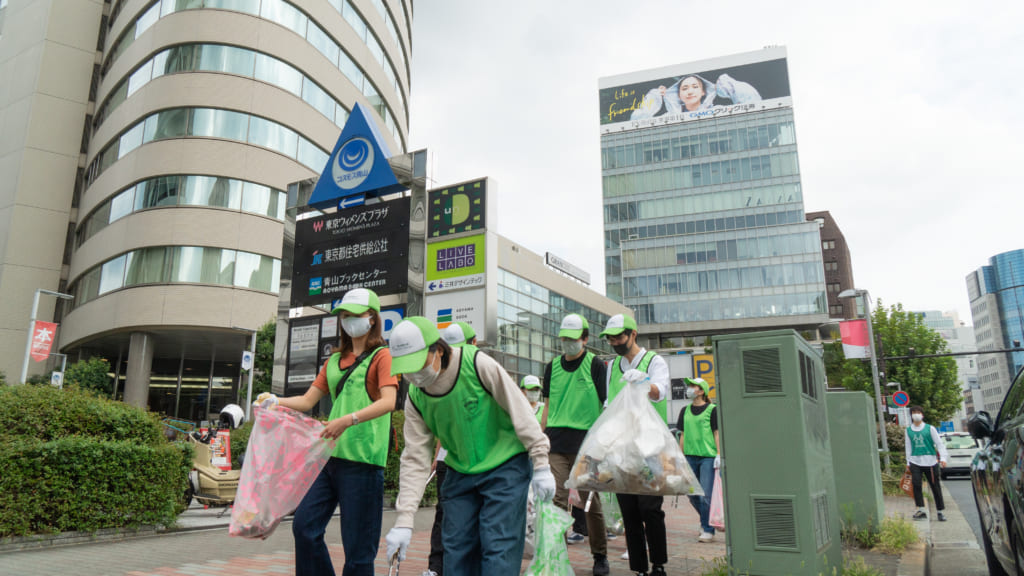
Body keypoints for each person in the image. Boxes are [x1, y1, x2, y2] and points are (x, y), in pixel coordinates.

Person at [383, 317, 555, 576]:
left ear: (438, 350)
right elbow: (415, 458)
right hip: (460, 472)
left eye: (417, 365)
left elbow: (521, 412)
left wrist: (541, 463)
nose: (414, 376)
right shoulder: (416, 397)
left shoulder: (477, 365)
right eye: (406, 370)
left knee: (499, 549)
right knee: (457, 551)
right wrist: (405, 520)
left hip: (505, 467)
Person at [254, 288, 397, 576]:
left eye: (355, 315)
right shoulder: (333, 361)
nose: (348, 320)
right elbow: (308, 400)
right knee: (304, 527)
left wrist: (348, 420)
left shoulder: (382, 356)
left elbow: (389, 402)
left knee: (358, 552)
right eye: (344, 315)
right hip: (328, 458)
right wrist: (276, 401)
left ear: (372, 319)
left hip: (364, 462)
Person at [601, 314, 670, 576]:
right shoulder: (611, 366)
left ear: (633, 334)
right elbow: (610, 404)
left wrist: (644, 382)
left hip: (651, 445)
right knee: (629, 510)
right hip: (623, 446)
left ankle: (659, 565)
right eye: (611, 338)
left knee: (650, 507)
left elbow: (660, 391)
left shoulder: (655, 361)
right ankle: (639, 568)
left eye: (619, 336)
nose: (615, 342)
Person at [542, 313, 609, 576]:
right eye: (564, 338)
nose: (567, 343)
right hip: (556, 443)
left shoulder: (595, 365)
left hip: (586, 444)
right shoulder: (552, 367)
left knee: (590, 502)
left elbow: (605, 405)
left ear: (585, 339)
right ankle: (557, 557)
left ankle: (600, 555)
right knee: (556, 499)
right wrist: (540, 438)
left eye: (573, 339)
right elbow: (547, 406)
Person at [676, 377, 720, 542]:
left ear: (701, 391)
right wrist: (680, 457)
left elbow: (716, 433)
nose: (690, 388)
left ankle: (708, 529)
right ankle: (706, 520)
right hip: (689, 457)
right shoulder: (684, 410)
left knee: (705, 495)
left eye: (693, 386)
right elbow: (682, 434)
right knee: (692, 494)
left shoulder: (712, 409)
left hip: (707, 457)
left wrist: (718, 454)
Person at [905, 406, 949, 521]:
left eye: (918, 412)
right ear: (911, 415)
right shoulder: (908, 430)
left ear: (922, 415)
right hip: (915, 462)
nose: (916, 414)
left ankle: (940, 511)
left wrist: (943, 458)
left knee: (935, 486)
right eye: (914, 412)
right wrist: (908, 462)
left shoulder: (930, 429)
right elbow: (908, 447)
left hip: (930, 462)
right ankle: (921, 510)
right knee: (917, 485)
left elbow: (939, 444)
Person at [424, 443, 448, 576]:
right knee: (441, 513)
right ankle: (435, 567)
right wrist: (437, 457)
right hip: (444, 461)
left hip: (465, 464)